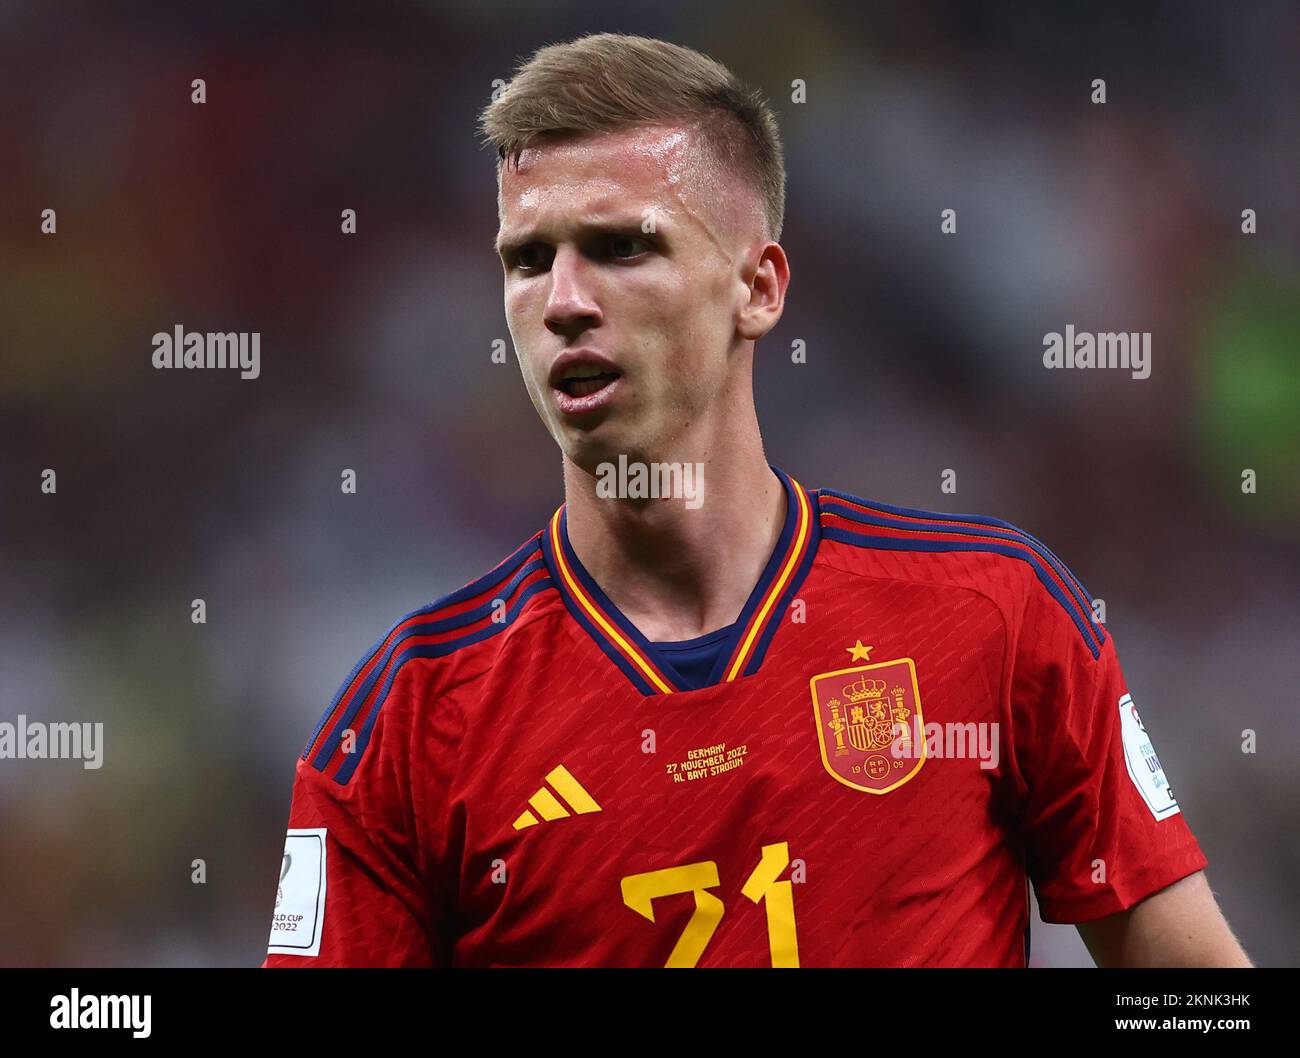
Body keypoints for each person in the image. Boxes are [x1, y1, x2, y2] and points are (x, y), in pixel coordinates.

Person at [263, 32, 1250, 968]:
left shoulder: (992, 613)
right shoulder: (406, 723)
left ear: (758, 288)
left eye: (619, 246)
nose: (561, 297)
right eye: (527, 259)